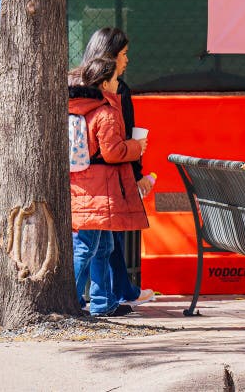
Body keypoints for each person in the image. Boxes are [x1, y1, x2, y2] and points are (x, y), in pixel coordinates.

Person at [69, 57, 150, 316]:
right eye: (116, 79)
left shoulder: (76, 107)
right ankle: (71, 301)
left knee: (103, 246)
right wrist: (137, 147)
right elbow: (113, 152)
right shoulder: (106, 112)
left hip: (83, 187)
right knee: (87, 247)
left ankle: (103, 303)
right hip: (99, 191)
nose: (119, 84)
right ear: (105, 83)